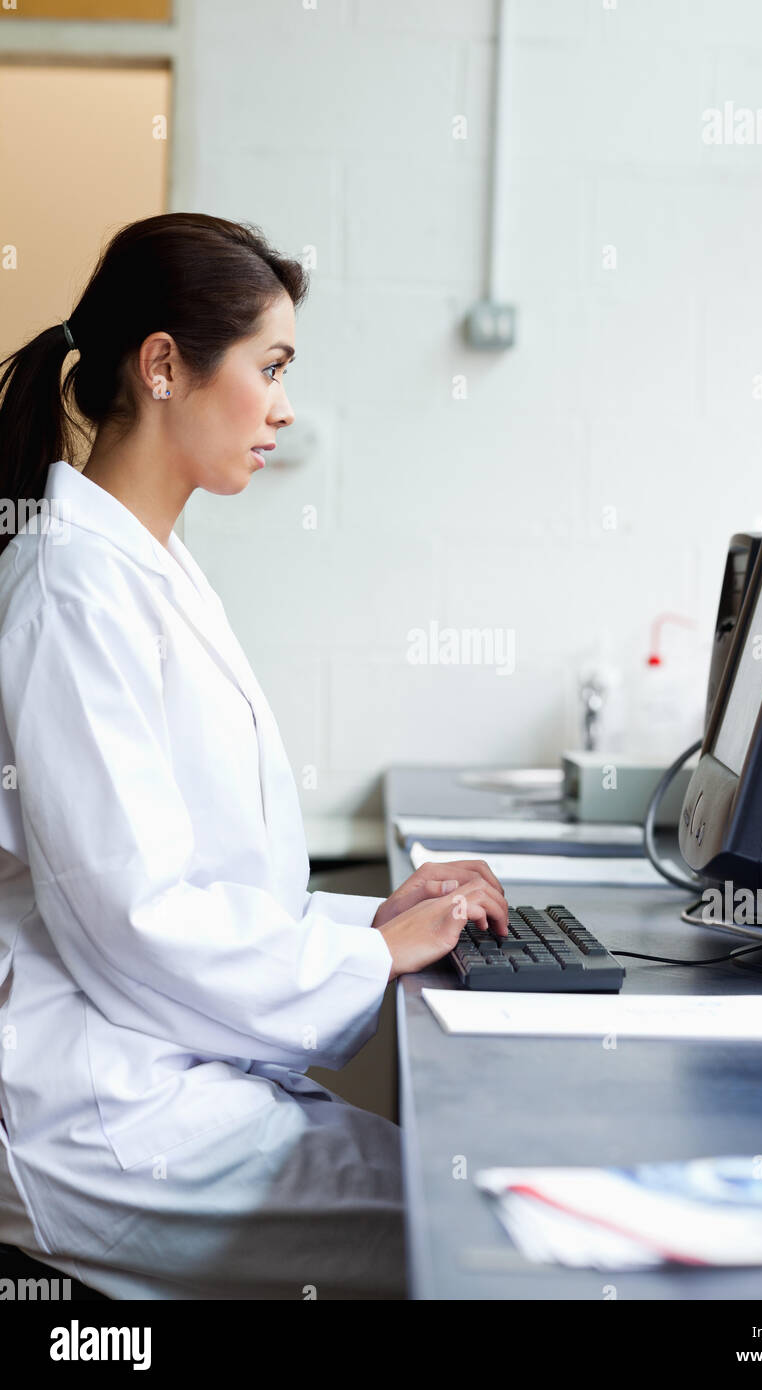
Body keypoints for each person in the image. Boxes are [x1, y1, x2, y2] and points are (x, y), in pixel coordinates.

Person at [0, 212, 508, 1300]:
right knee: (475, 1225)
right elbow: (135, 917)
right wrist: (373, 957)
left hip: (163, 1066)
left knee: (475, 1199)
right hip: (105, 1112)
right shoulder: (72, 592)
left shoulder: (144, 567)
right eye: (269, 367)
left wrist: (366, 922)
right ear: (165, 367)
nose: (283, 407)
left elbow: (200, 881)